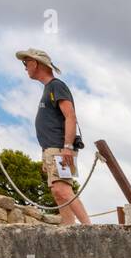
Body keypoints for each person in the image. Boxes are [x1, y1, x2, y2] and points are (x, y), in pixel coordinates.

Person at [16, 48, 91, 225]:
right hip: (52, 149)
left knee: (63, 189)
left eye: (26, 63)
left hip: (60, 148)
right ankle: (68, 226)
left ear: (36, 63)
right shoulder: (49, 88)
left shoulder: (56, 86)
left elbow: (70, 116)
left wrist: (67, 147)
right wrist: (45, 154)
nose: (25, 67)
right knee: (58, 190)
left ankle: (88, 228)